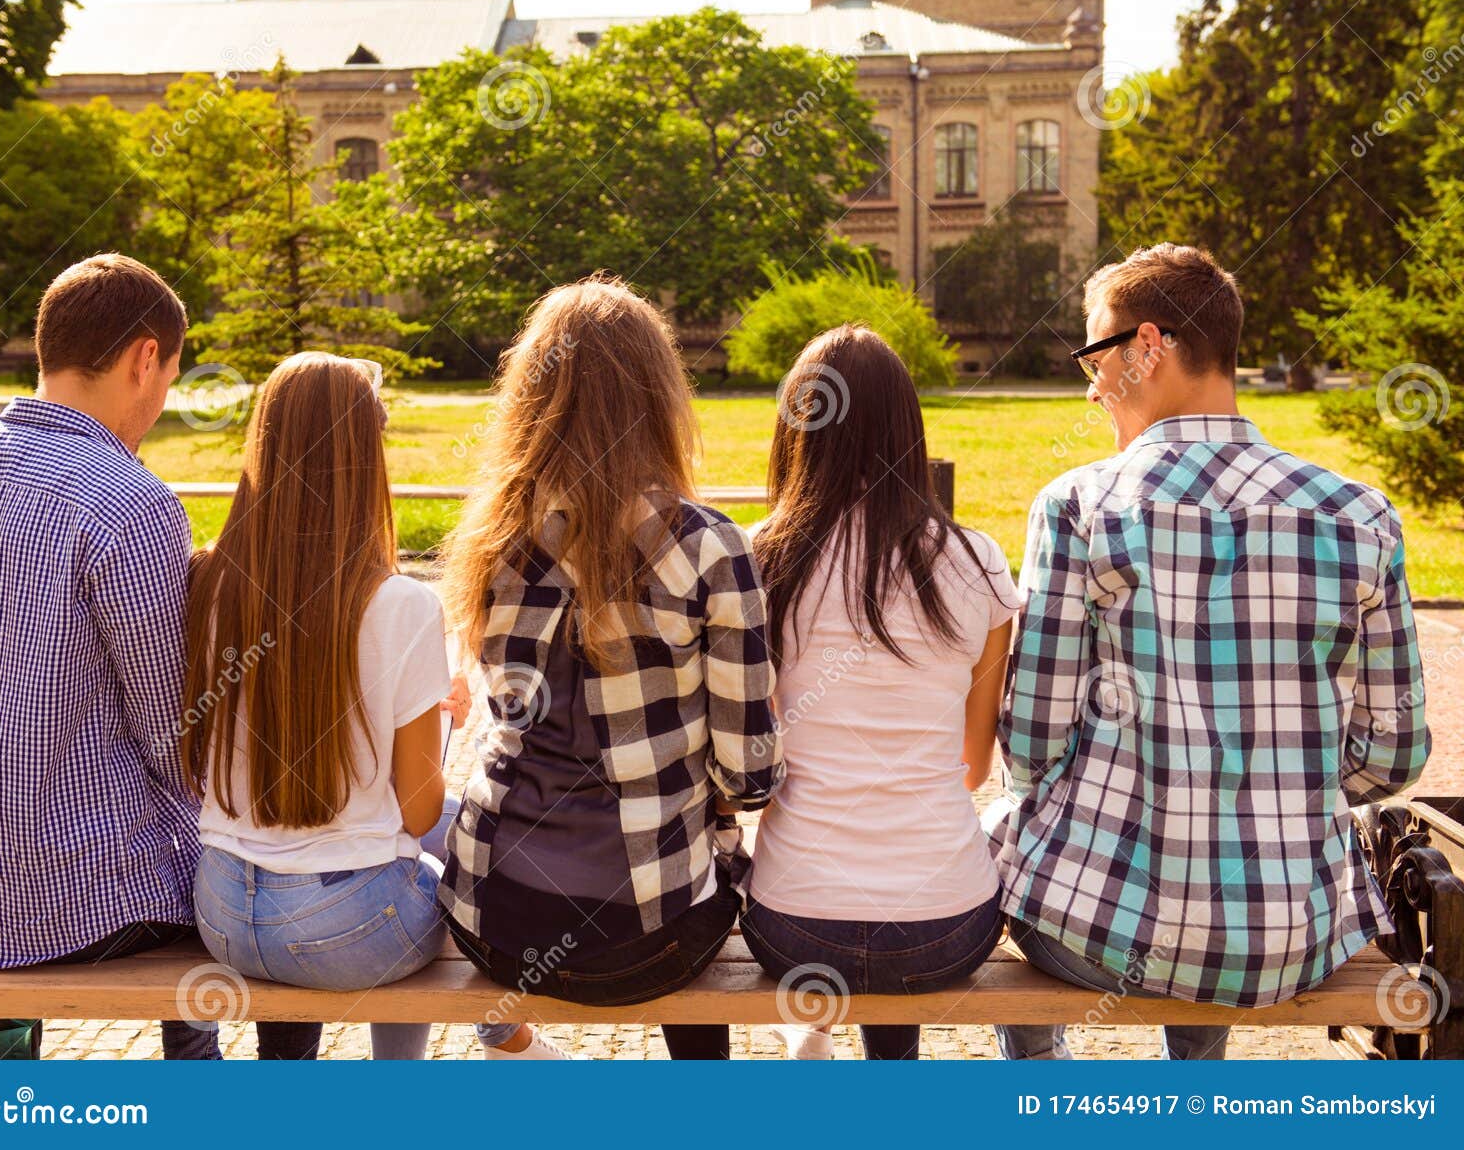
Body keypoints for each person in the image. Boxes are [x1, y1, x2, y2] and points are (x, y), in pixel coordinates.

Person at [991, 243, 1431, 1060]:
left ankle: (1042, 1095)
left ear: (1148, 347)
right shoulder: (1361, 517)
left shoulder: (1080, 507)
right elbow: (1394, 755)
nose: (1090, 385)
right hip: (1284, 938)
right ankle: (1191, 1100)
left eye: (1095, 354)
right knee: (1212, 911)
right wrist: (1271, 784)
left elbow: (1030, 745)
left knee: (1010, 852)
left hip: (1097, 935)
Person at [0, 254, 312, 1060]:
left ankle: (5, 1085)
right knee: (265, 869)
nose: (161, 401)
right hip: (87, 898)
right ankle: (214, 1098)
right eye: (170, 377)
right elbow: (175, 736)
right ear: (144, 357)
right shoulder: (130, 501)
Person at [437, 276, 785, 1060]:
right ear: (658, 396)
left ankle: (514, 1046)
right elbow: (747, 776)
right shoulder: (708, 548)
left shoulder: (491, 541)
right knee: (692, 875)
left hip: (495, 915)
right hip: (647, 933)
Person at [183, 351, 469, 1060]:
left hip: (222, 913)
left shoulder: (208, 581)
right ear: (366, 456)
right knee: (454, 868)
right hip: (348, 929)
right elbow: (420, 810)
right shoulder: (402, 605)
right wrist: (444, 725)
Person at [742, 327, 1016, 1061]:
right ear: (909, 429)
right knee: (899, 934)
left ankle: (810, 1029)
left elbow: (750, 756)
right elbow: (974, 764)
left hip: (796, 926)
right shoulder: (978, 561)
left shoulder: (758, 559)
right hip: (945, 925)